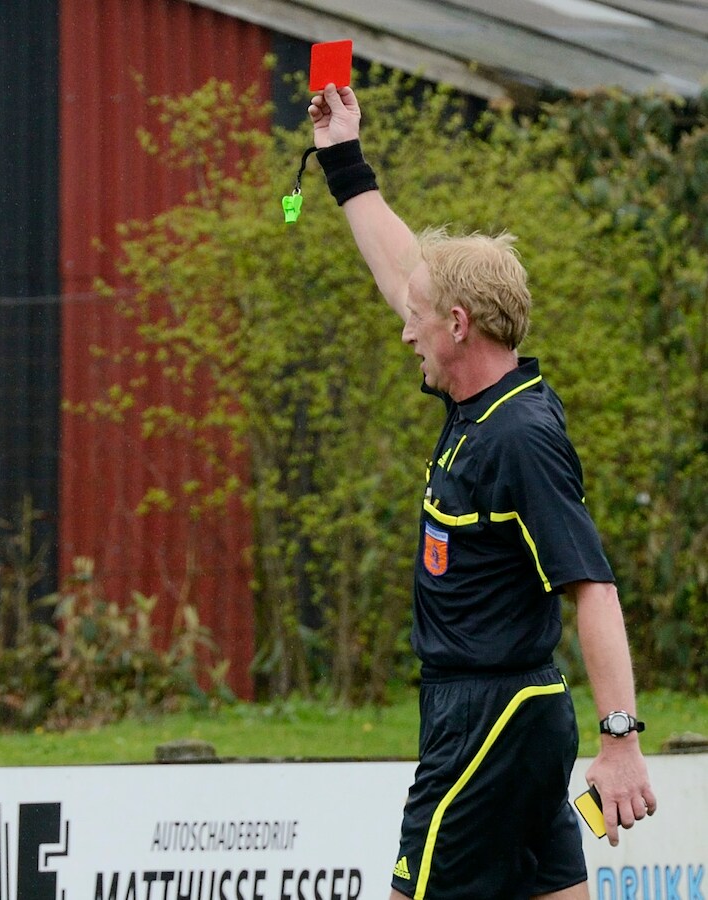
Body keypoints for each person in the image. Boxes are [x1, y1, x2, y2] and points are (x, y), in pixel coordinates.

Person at [306, 85, 657, 899]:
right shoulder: (481, 400)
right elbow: (401, 268)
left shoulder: (517, 439)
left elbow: (593, 587)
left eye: (419, 318)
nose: (404, 328)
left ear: (459, 324)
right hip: (511, 717)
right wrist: (343, 160)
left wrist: (620, 740)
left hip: (486, 727)